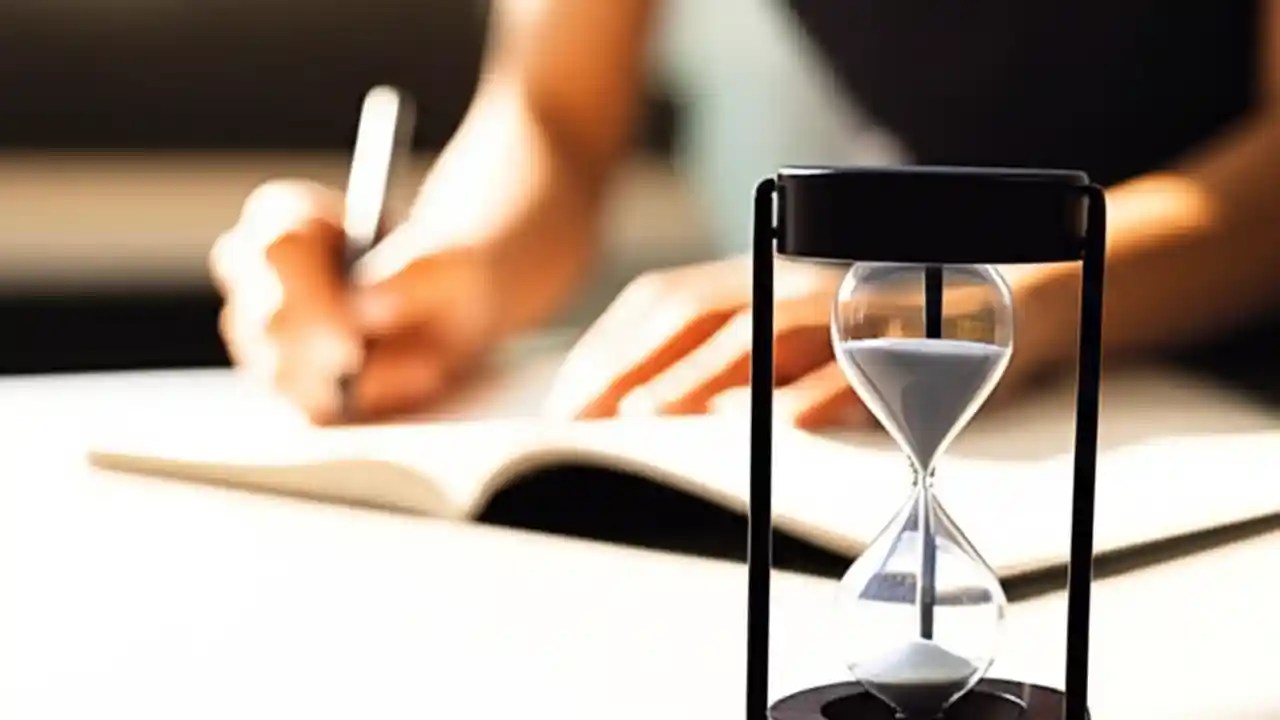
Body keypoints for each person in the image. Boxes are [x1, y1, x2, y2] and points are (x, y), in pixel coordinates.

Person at [210, 0, 1280, 428]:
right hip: (929, 379)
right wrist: (454, 267)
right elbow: (555, 110)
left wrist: (997, 300)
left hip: (1228, 383)